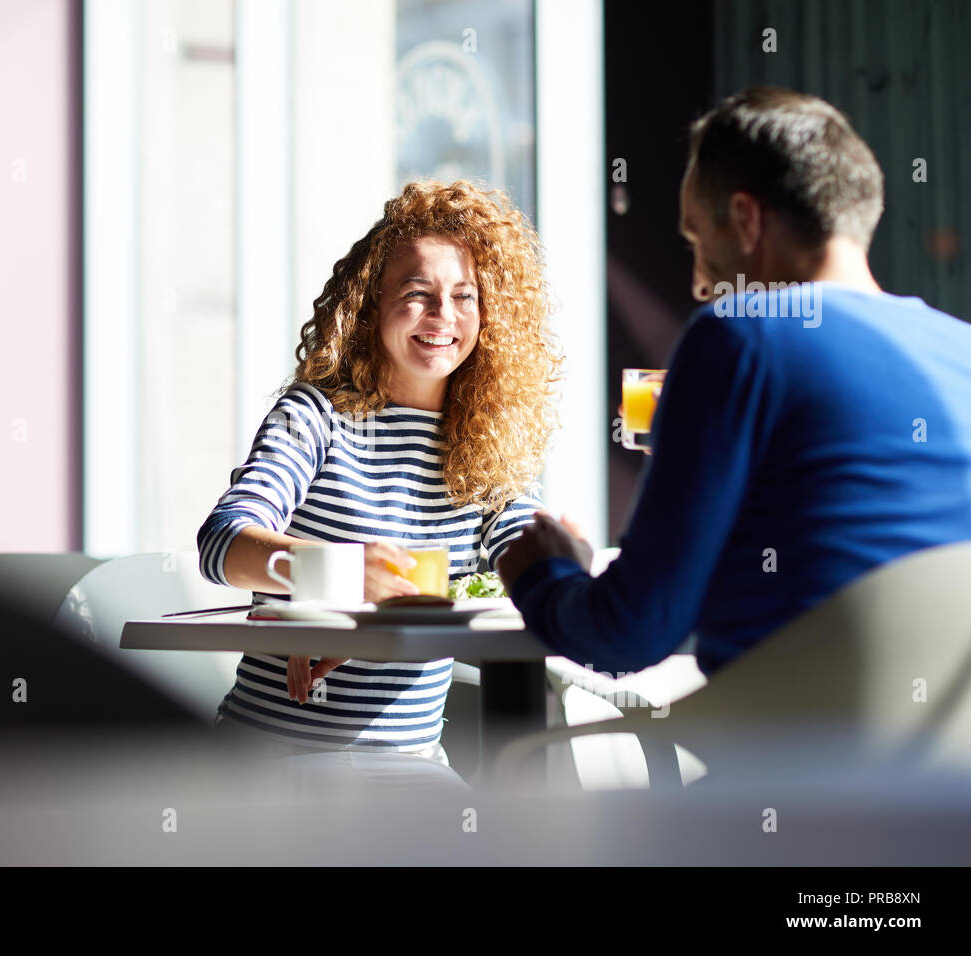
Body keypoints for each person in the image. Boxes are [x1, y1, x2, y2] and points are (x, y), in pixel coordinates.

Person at [497, 86, 971, 677]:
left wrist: (544, 572)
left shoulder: (742, 337)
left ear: (746, 220)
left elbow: (628, 632)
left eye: (697, 240)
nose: (699, 281)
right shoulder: (962, 349)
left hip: (786, 756)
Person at [197, 179, 560, 764]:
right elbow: (220, 544)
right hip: (265, 762)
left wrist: (375, 616)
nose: (443, 315)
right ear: (371, 302)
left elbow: (530, 559)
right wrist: (332, 579)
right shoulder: (315, 416)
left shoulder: (485, 439)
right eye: (418, 292)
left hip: (409, 767)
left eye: (465, 296)